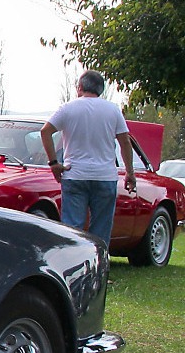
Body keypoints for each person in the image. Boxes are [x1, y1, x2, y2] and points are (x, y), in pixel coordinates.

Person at [40, 70, 135, 246]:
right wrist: (130, 172)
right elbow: (125, 142)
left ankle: (72, 266)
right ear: (101, 90)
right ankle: (98, 266)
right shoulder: (113, 110)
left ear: (80, 87)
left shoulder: (68, 108)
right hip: (105, 176)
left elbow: (45, 131)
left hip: (74, 173)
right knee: (101, 228)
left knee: (72, 228)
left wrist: (54, 163)